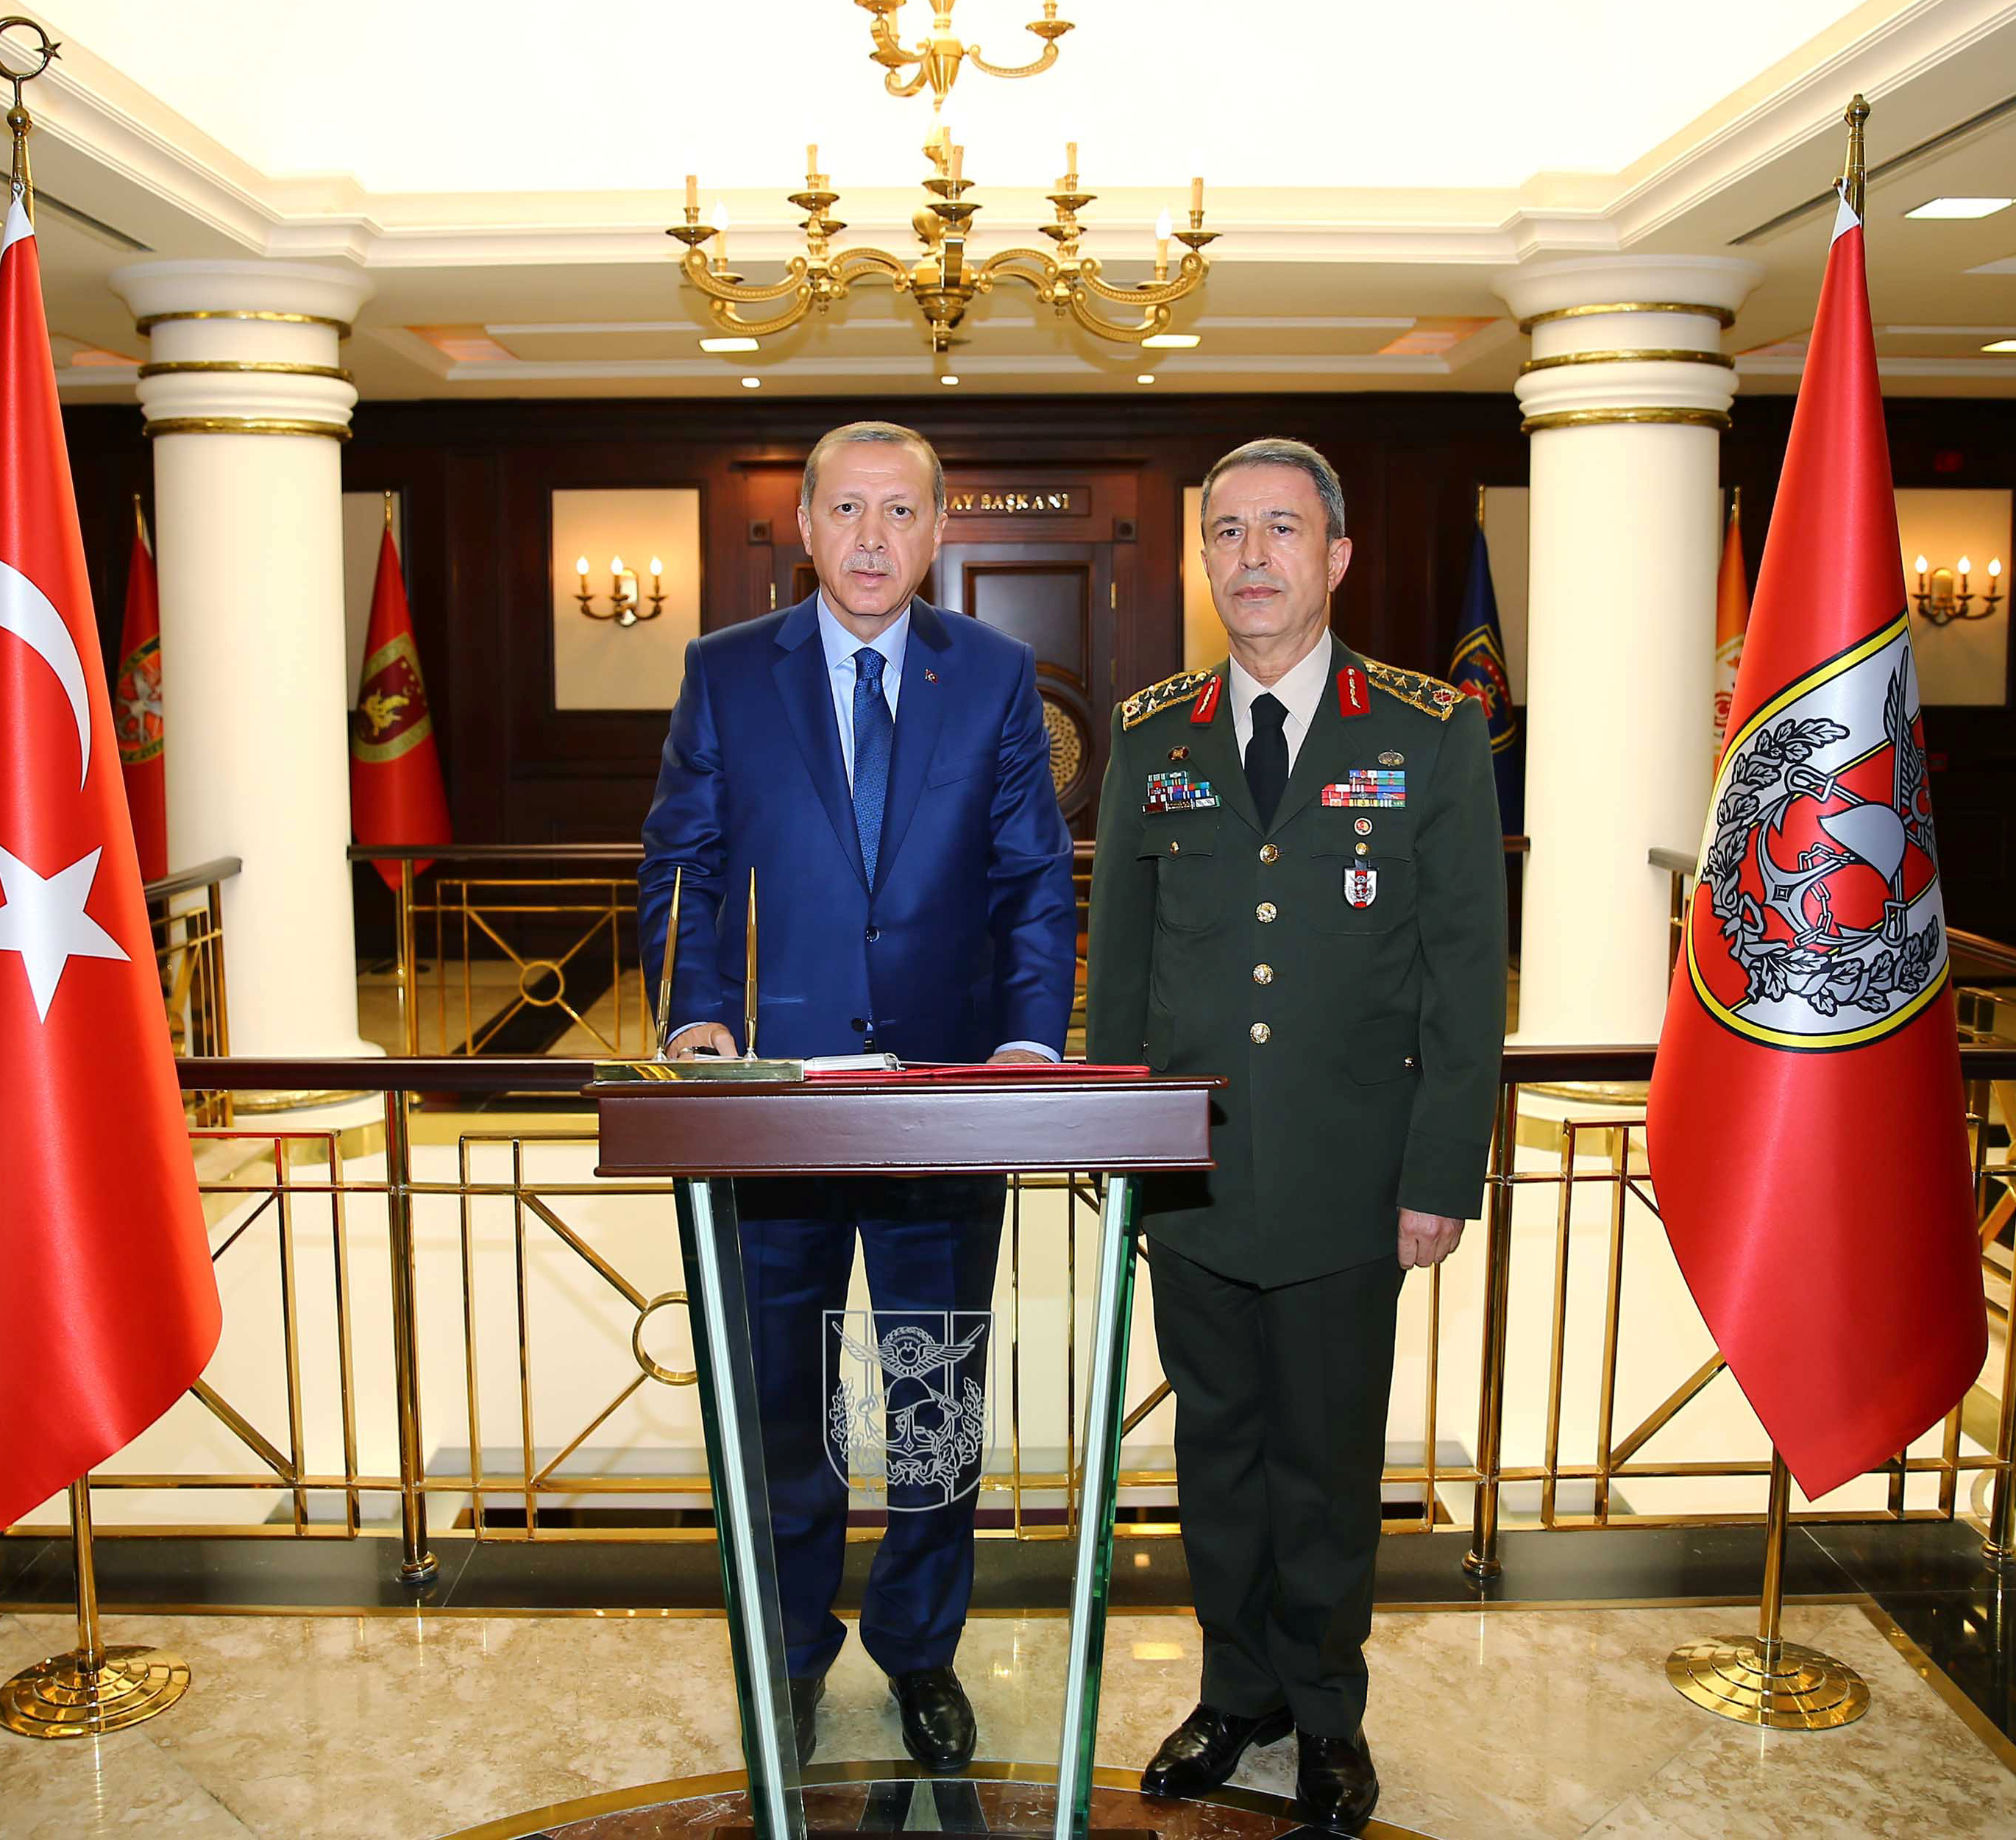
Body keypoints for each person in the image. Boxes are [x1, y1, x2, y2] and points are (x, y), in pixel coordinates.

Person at [639, 419, 1076, 1772]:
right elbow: (682, 865)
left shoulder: (994, 674)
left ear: (937, 531)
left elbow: (1031, 878)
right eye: (847, 510)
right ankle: (788, 1652)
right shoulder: (726, 672)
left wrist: (1029, 1043)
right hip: (773, 1107)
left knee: (933, 1394)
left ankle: (921, 1651)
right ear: (806, 527)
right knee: (781, 1397)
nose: (873, 538)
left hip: (945, 1108)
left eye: (899, 512)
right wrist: (693, 1015)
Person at [1085, 436, 1506, 1833]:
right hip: (1194, 1177)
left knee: (1325, 1463)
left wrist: (1440, 1174)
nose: (1252, 557)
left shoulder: (1427, 731)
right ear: (1203, 560)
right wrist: (1121, 1154)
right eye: (1227, 532)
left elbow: (1463, 979)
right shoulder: (1155, 732)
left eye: (1281, 530)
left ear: (1336, 557)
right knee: (1216, 1457)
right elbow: (1121, 973)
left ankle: (1325, 1712)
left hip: (1349, 1181)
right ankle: (1236, 1695)